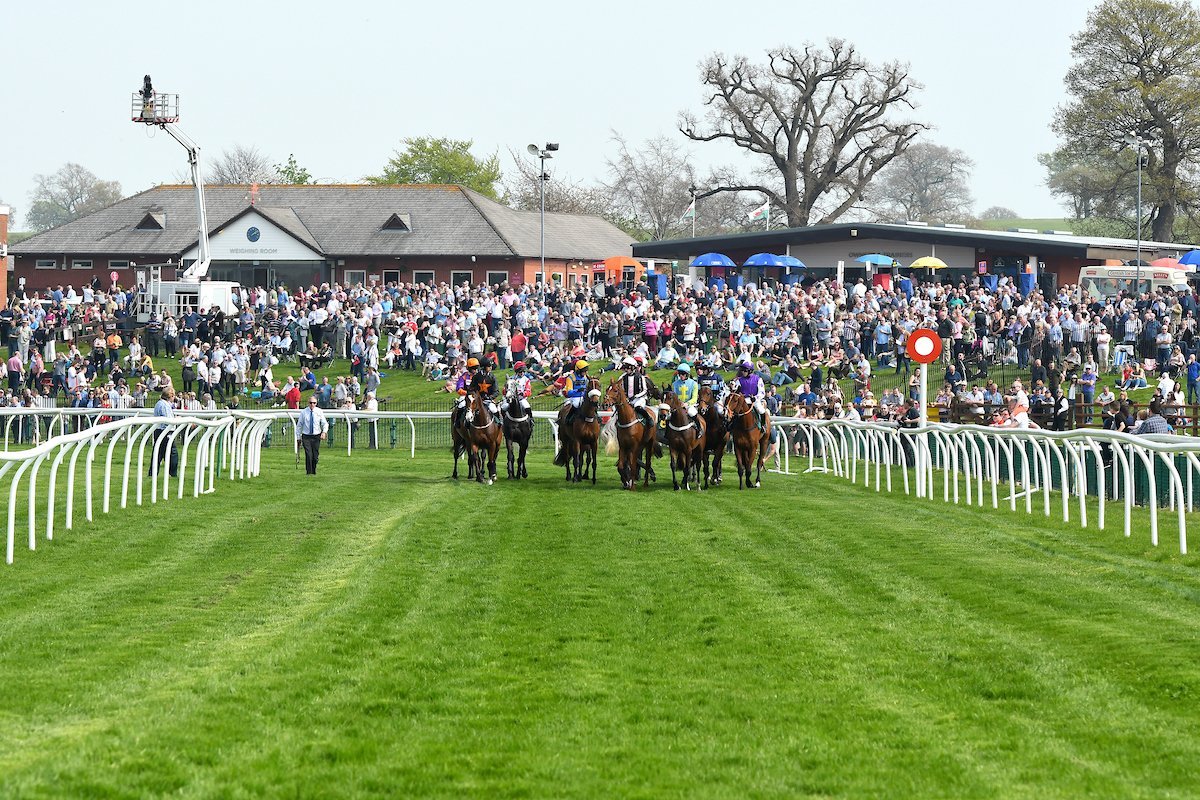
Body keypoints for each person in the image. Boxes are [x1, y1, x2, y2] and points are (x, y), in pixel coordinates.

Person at [296, 395, 330, 474]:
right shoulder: (304, 412)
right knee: (308, 454)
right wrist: (298, 437)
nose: (312, 405)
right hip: (306, 436)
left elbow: (324, 423)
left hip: (316, 436)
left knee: (315, 456)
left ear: (316, 403)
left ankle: (313, 471)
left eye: (314, 403)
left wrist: (324, 432)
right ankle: (309, 472)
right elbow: (299, 425)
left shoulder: (319, 411)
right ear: (308, 403)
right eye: (311, 403)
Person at [618, 355, 654, 428]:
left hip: (639, 399)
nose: (625, 370)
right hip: (627, 400)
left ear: (632, 367)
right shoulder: (622, 377)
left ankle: (648, 419)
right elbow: (620, 389)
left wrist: (635, 396)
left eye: (627, 367)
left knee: (638, 407)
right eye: (625, 367)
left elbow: (644, 390)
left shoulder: (640, 377)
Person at [733, 359, 768, 431]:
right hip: (743, 400)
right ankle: (731, 426)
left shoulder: (758, 379)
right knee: (734, 411)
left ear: (750, 371)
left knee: (761, 410)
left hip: (754, 400)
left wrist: (755, 398)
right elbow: (735, 391)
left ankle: (763, 425)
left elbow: (762, 392)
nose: (743, 372)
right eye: (742, 370)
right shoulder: (739, 380)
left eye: (745, 370)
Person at [152, 387, 178, 478]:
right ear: (170, 395)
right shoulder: (164, 405)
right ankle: (173, 474)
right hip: (165, 432)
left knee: (158, 453)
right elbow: (168, 420)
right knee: (173, 453)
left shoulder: (160, 403)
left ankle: (152, 474)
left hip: (160, 431)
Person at [560, 359, 592, 425]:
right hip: (574, 398)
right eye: (584, 370)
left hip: (584, 397)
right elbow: (569, 393)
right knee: (577, 404)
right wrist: (578, 390)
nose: (586, 372)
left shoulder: (586, 377)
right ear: (579, 370)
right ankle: (569, 419)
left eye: (586, 370)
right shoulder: (570, 378)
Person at [668, 362, 700, 427]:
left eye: (683, 374)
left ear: (687, 374)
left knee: (692, 412)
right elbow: (674, 397)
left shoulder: (694, 384)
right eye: (679, 374)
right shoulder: (674, 384)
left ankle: (699, 428)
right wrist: (679, 404)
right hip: (677, 406)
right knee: (667, 415)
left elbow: (694, 398)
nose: (681, 376)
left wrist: (686, 404)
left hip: (689, 405)